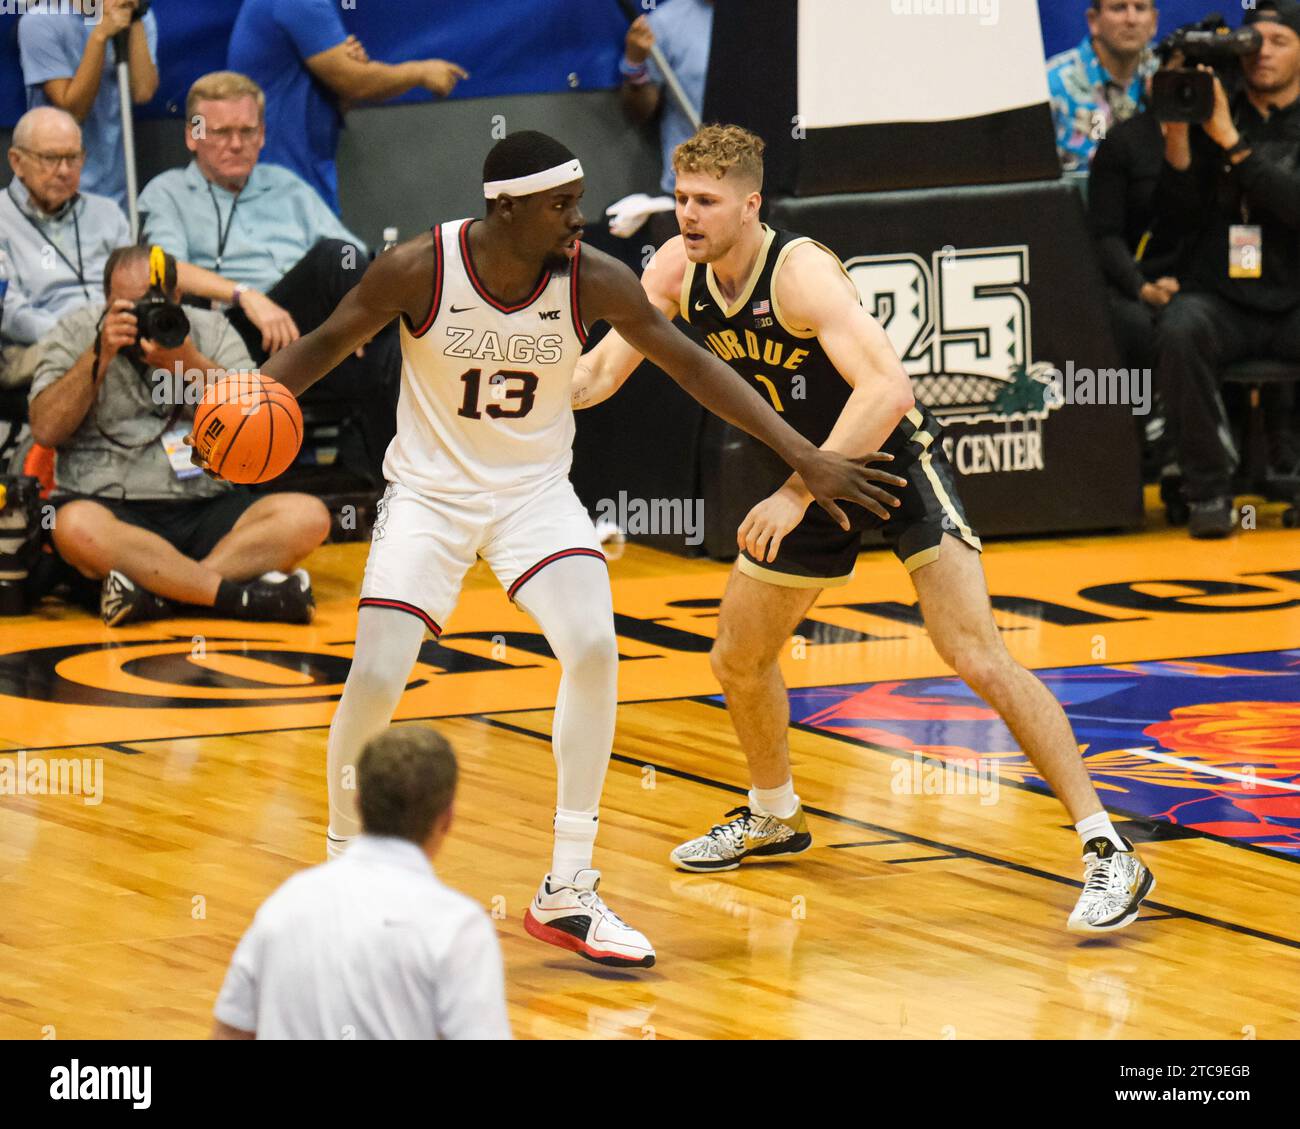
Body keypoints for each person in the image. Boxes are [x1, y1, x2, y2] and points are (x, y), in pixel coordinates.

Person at [189, 129, 904, 967]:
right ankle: (348, 869)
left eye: (579, 201)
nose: (580, 219)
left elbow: (695, 369)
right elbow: (324, 344)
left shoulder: (594, 279)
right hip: (428, 495)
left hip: (534, 497)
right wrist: (242, 408)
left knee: (596, 647)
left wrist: (804, 454)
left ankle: (569, 886)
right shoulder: (421, 267)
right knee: (379, 670)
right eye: (562, 206)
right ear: (505, 208)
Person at [574, 124, 1157, 935]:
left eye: (706, 202)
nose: (689, 216)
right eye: (680, 199)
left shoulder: (801, 271)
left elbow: (887, 388)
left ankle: (1107, 849)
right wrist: (519, 387)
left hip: (885, 464)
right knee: (737, 657)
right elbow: (600, 372)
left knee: (973, 651)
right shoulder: (676, 268)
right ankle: (774, 812)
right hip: (811, 475)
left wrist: (793, 490)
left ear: (750, 204)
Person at [28, 244, 330, 626]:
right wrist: (99, 356)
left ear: (176, 296)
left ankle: (163, 594)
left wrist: (189, 364)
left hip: (205, 503)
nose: (143, 316)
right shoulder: (75, 330)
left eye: (153, 303)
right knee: (71, 526)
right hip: (110, 504)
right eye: (129, 305)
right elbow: (45, 428)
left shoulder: (211, 330)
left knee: (309, 516)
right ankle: (236, 597)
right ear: (108, 300)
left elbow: (258, 412)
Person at [139, 71, 400, 481]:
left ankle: (396, 486)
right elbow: (163, 269)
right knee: (335, 258)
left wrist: (358, 322)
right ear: (193, 136)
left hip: (316, 343)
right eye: (221, 132)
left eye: (247, 130)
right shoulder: (167, 192)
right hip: (238, 336)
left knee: (392, 348)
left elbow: (356, 261)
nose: (237, 143)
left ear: (262, 135)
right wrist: (246, 296)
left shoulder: (287, 187)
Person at [212, 726, 511, 1040]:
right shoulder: (457, 927)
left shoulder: (285, 902)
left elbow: (231, 1031)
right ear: (447, 818)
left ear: (356, 803)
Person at [1154, 0, 1300, 537]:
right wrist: (1177, 142)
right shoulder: (1213, 108)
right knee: (1181, 326)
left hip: (1294, 300)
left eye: (1279, 42)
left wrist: (1234, 146)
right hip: (1225, 299)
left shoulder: (1230, 126)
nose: (1263, 55)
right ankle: (1209, 492)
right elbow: (1176, 220)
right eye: (1253, 42)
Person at [227, 0, 467, 214]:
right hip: (280, 178)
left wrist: (351, 71)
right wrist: (420, 72)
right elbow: (356, 83)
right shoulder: (301, 3)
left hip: (301, 174)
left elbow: (344, 91)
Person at [1087, 49, 1188, 489]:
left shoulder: (1222, 135)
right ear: (1152, 81)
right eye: (1174, 74)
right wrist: (1141, 286)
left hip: (1200, 278)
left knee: (1193, 320)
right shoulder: (1124, 142)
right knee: (1133, 323)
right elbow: (1105, 233)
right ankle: (1146, 430)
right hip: (1133, 278)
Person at [1, 107, 129, 391]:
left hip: (115, 336)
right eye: (50, 158)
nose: (63, 170)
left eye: (73, 158)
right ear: (16, 161)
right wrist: (82, 335)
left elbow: (134, 287)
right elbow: (10, 314)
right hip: (37, 346)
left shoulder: (108, 214)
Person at [18, 0, 159, 209]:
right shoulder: (40, 21)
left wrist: (135, 19)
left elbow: (143, 92)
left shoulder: (139, 17)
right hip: (55, 186)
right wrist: (100, 35)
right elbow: (74, 111)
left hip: (116, 189)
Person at [1047, 0, 1159, 174]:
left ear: (1154, 21)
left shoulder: (1168, 76)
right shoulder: (1052, 83)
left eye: (1140, 8)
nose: (1131, 19)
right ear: (1093, 20)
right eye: (1119, 8)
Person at [620, 0, 714, 196]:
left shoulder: (769, 19)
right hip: (691, 186)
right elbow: (639, 111)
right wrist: (635, 65)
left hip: (757, 179)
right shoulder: (664, 23)